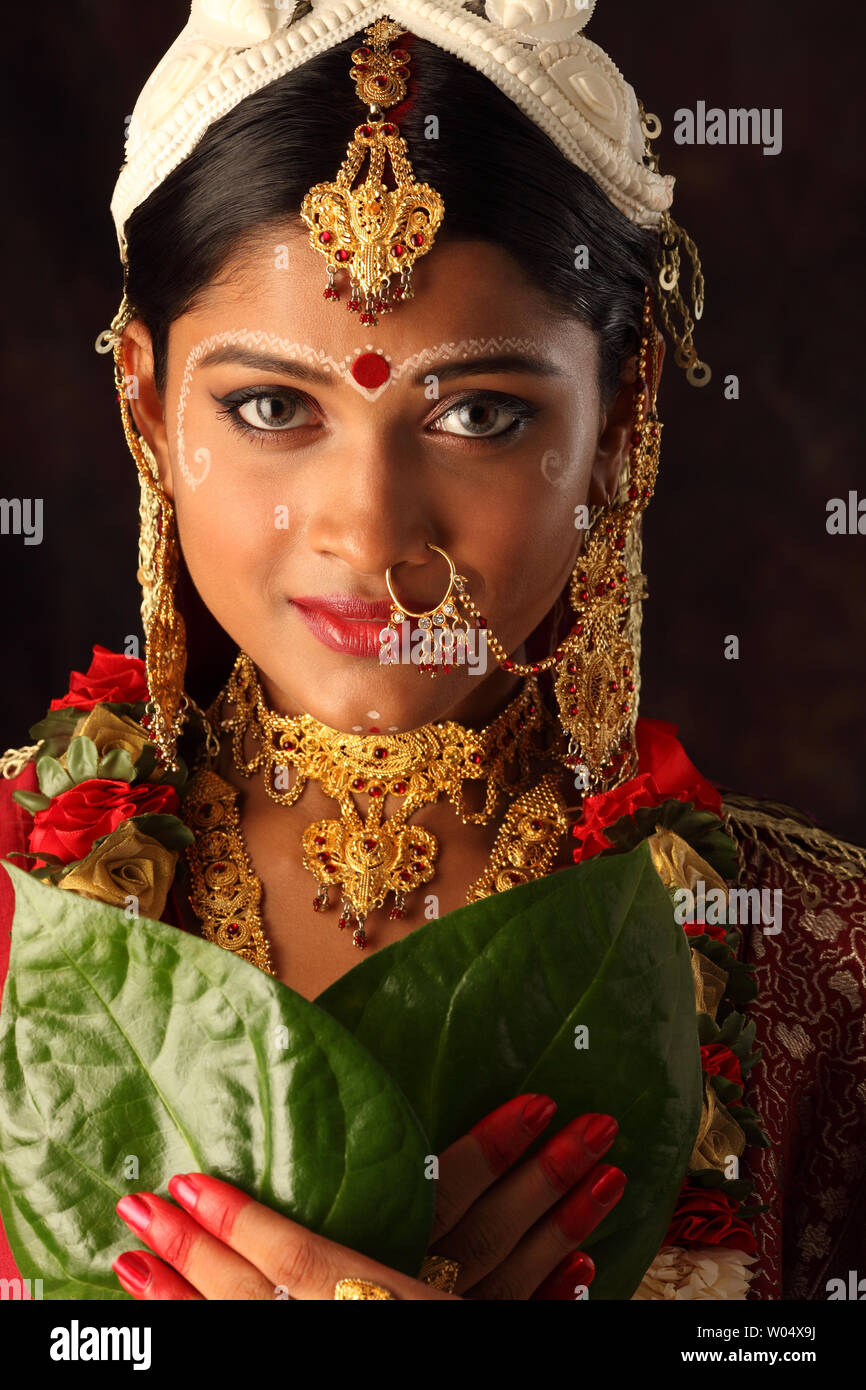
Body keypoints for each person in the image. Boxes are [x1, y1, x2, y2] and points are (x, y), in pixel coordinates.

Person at [1, 0, 864, 1302]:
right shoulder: (22, 913)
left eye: (475, 411)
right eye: (272, 405)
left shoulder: (815, 955)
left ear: (620, 423)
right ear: (146, 406)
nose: (369, 531)